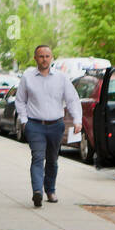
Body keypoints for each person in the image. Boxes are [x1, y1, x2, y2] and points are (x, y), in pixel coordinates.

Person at [16, 44, 83, 208]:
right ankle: (37, 192)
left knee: (52, 160)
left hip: (56, 125)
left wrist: (77, 120)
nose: (44, 59)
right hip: (35, 125)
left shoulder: (61, 78)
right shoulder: (28, 77)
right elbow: (20, 100)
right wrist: (24, 121)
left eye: (47, 56)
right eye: (41, 56)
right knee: (38, 158)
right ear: (35, 58)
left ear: (51, 58)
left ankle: (50, 190)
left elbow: (72, 99)